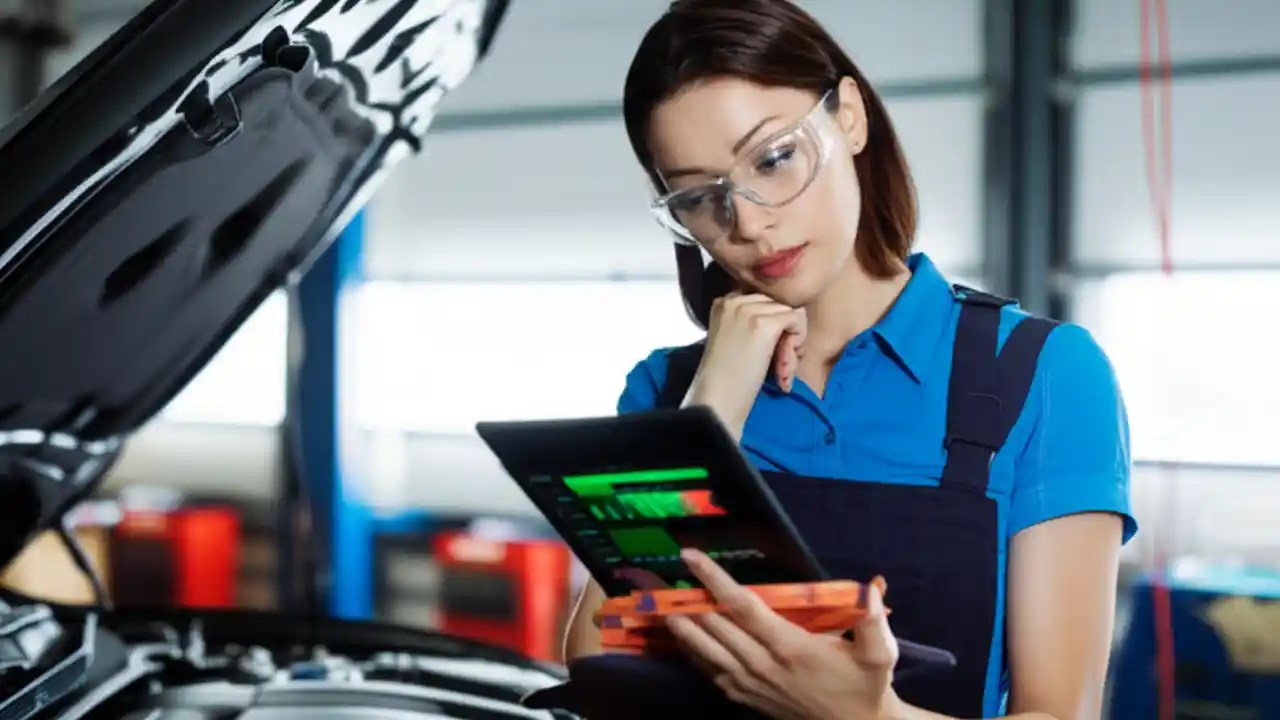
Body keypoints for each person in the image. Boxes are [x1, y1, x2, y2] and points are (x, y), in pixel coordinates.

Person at [563, 1, 1137, 718]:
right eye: (702, 197)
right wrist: (714, 406)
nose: (750, 223)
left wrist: (866, 715)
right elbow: (597, 661)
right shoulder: (669, 389)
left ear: (852, 118)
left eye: (774, 158)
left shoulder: (1044, 374)